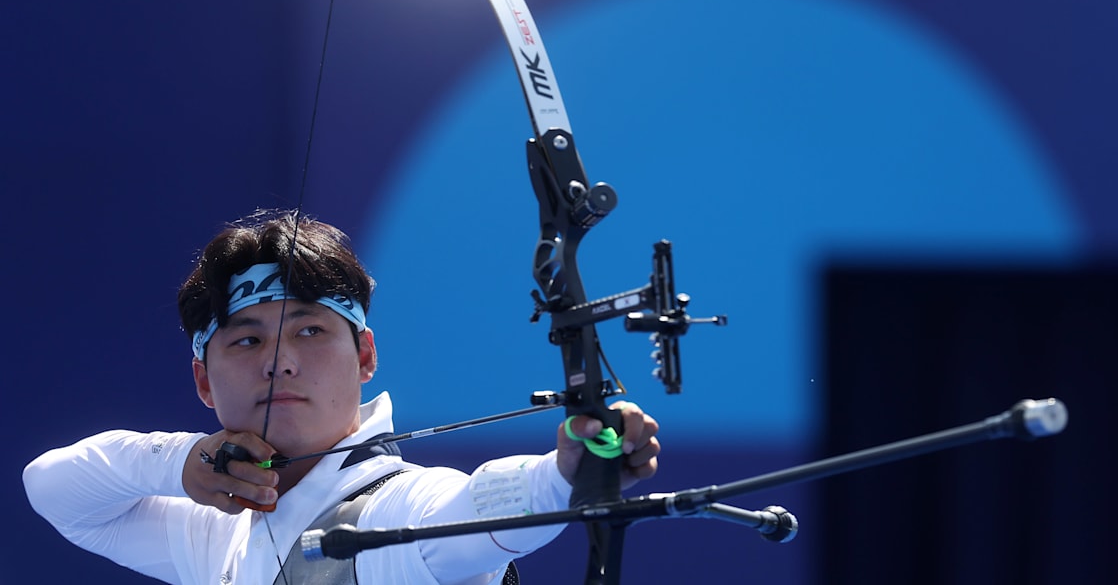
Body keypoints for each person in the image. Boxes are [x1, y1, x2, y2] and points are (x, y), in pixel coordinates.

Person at [23, 209, 660, 584]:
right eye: (245, 342)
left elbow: (471, 508)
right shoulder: (218, 531)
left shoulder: (393, 510)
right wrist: (181, 461)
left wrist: (564, 474)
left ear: (364, 357)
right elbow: (53, 488)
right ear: (203, 381)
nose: (279, 361)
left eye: (309, 331)